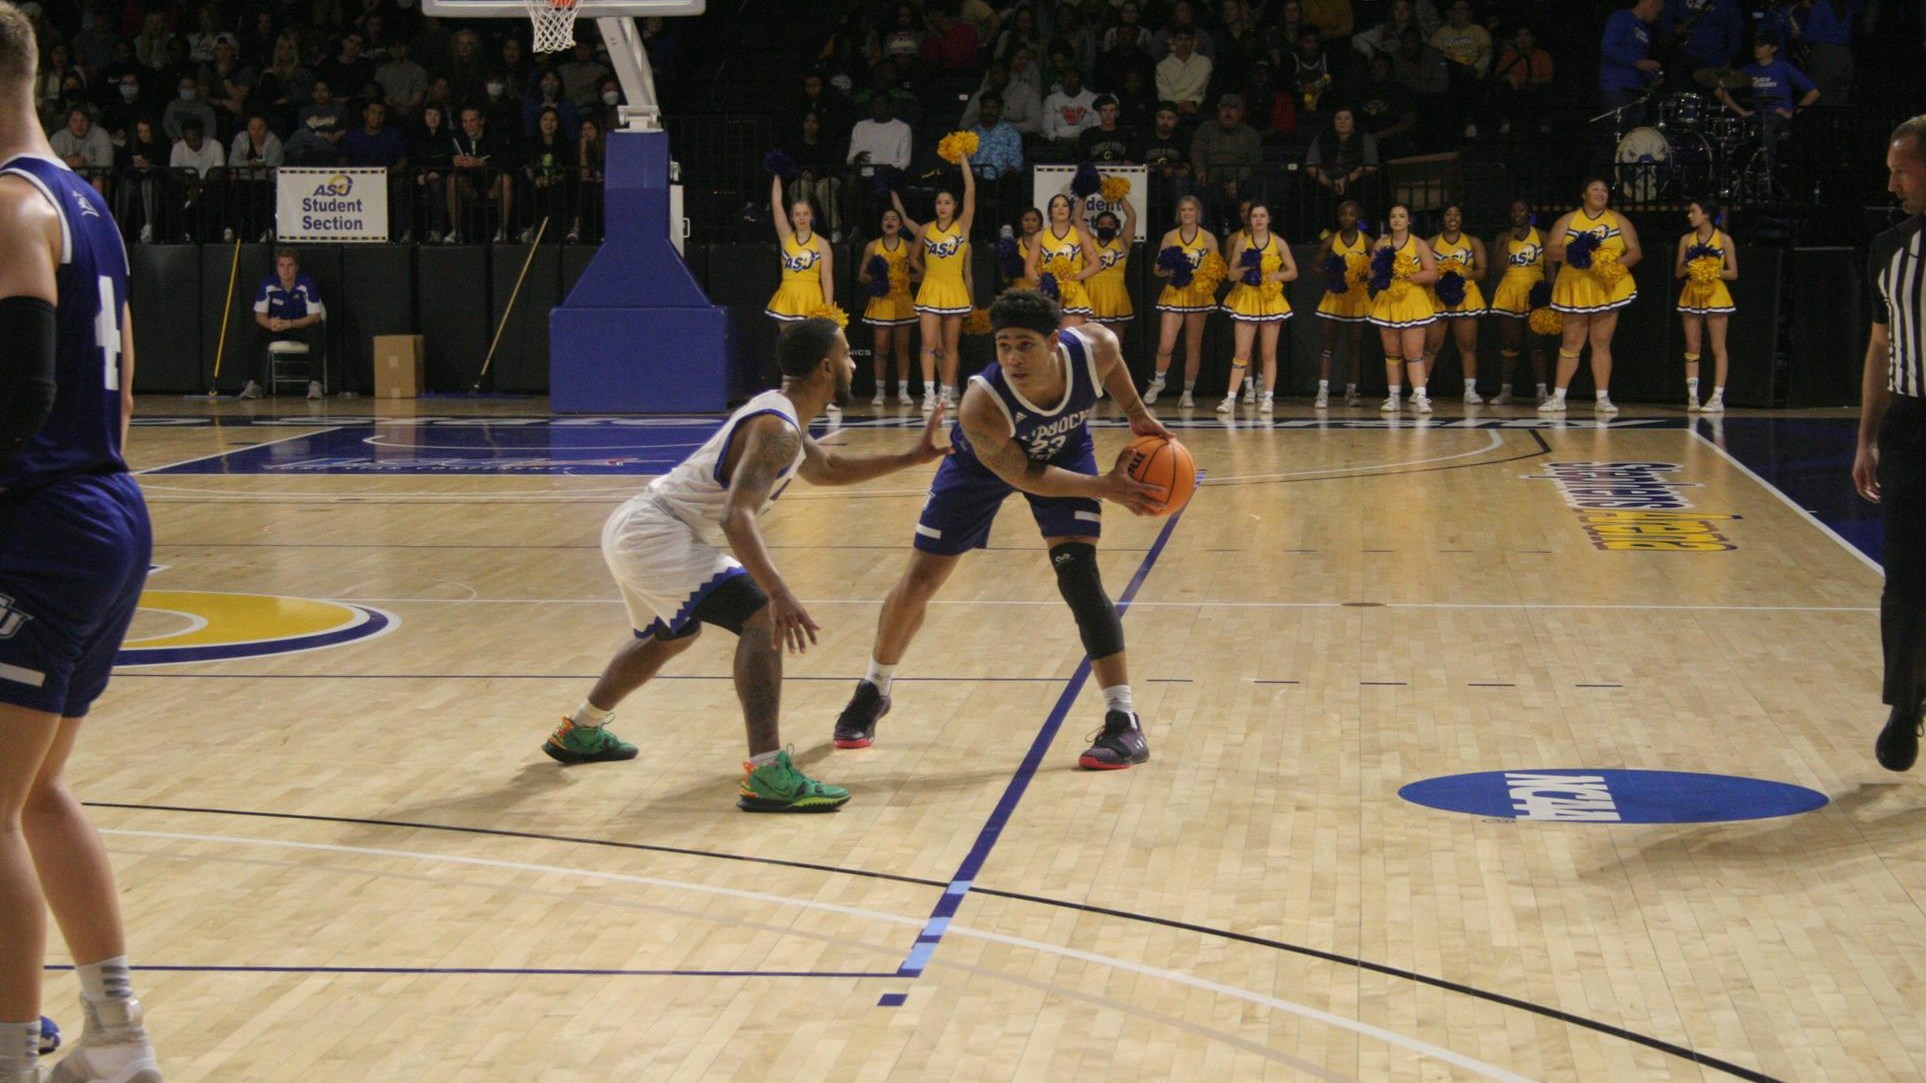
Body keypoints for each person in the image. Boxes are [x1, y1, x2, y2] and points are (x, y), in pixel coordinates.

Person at [542, 319, 951, 810]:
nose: (852, 362)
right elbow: (739, 516)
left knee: (675, 634)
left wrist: (912, 457)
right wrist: (777, 593)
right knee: (758, 615)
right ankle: (766, 773)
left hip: (643, 526)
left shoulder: (783, 417)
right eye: (846, 354)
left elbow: (826, 470)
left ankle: (581, 731)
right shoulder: (777, 427)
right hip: (655, 532)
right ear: (826, 367)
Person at [0, 5, 163, 1078]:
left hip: (46, 522)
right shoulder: (84, 200)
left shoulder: (12, 208)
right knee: (40, 791)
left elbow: (16, 397)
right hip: (106, 508)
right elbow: (126, 386)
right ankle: (115, 1040)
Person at [829, 293, 1172, 768]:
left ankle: (1123, 719)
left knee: (1079, 577)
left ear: (1054, 342)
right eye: (1003, 345)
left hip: (1065, 453)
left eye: (1024, 345)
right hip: (980, 469)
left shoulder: (1096, 346)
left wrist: (1135, 411)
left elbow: (1112, 364)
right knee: (920, 581)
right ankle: (874, 688)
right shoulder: (980, 407)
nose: (1012, 357)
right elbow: (1027, 476)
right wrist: (1104, 487)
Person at [1854, 115, 1926, 773]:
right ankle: (1905, 706)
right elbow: (1880, 347)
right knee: (1903, 578)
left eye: (1902, 168)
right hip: (1910, 424)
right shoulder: (1888, 250)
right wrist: (1866, 437)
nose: (1892, 181)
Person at [1543, 177, 1644, 415]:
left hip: (1605, 288)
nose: (1600, 193)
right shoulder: (1568, 220)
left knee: (1601, 344)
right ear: (1583, 195)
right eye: (1594, 189)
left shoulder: (1618, 220)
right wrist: (1574, 252)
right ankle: (1558, 397)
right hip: (1575, 286)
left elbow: (1636, 252)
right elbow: (1550, 251)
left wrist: (1612, 263)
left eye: (1604, 190)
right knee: (1571, 344)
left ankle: (1602, 398)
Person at [895, 159, 975, 413]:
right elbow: (913, 257)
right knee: (928, 343)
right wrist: (926, 272)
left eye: (948, 202)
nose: (943, 206)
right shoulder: (925, 230)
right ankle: (929, 394)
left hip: (954, 290)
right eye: (939, 202)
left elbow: (971, 190)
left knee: (950, 347)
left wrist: (963, 159)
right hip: (931, 288)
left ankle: (946, 392)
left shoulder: (962, 227)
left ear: (955, 206)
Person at [1220, 201, 1297, 414]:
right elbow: (1231, 274)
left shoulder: (1279, 243)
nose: (1259, 219)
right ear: (1249, 219)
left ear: (1269, 218)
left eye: (1262, 215)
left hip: (1271, 300)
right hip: (1247, 299)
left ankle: (1268, 398)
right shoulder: (1241, 243)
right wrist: (1248, 269)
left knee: (1268, 353)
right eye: (1255, 216)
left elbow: (1293, 272)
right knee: (1241, 352)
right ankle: (1230, 398)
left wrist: (1275, 275)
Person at [1145, 195, 1219, 408]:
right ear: (1179, 213)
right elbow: (1157, 269)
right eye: (1184, 210)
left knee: (1193, 346)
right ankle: (1158, 382)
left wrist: (1204, 277)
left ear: (1198, 213)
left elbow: (1217, 269)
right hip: (1174, 292)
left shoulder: (1208, 238)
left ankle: (1187, 392)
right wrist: (1171, 270)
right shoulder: (1169, 237)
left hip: (1198, 295)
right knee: (1166, 344)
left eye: (1191, 210)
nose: (1187, 214)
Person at [1713, 35, 1819, 182]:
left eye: (1762, 45)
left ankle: (1765, 177)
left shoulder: (1783, 67)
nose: (1757, 49)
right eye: (1756, 45)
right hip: (1757, 116)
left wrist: (1793, 112)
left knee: (1766, 130)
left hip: (1777, 117)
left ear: (1773, 49)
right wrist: (1741, 112)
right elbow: (1719, 90)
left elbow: (1813, 92)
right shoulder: (1749, 70)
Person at [1368, 202, 1441, 412]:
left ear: (1409, 220)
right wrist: (1384, 272)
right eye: (1393, 216)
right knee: (1392, 352)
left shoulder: (1418, 244)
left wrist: (1406, 275)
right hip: (1388, 301)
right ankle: (1393, 396)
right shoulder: (1381, 244)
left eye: (1401, 216)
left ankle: (1420, 396)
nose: (1397, 219)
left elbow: (1432, 273)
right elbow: (1371, 274)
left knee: (1414, 352)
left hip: (1412, 301)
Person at [1674, 198, 1738, 412]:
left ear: (1706, 214)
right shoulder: (1686, 239)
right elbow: (1678, 273)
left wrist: (1711, 270)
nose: (1689, 215)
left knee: (1718, 347)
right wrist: (1691, 264)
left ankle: (1717, 397)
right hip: (1691, 294)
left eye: (1693, 211)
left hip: (1716, 295)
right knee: (1692, 346)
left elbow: (1733, 273)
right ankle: (1693, 396)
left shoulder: (1724, 240)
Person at [1485, 198, 1551, 405]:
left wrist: (1551, 293)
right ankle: (1506, 391)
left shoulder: (1541, 236)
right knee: (1510, 343)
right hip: (1510, 291)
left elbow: (1550, 267)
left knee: (1536, 343)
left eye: (1521, 210)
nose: (1517, 214)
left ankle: (1542, 391)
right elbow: (1498, 268)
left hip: (1535, 292)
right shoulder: (1503, 237)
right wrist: (1507, 241)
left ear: (1528, 213)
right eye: (1513, 211)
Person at [241, 247, 326, 401]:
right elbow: (259, 315)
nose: (285, 270)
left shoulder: (306, 284)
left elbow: (314, 316)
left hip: (300, 325)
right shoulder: (268, 284)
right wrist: (269, 323)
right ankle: (254, 384)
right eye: (282, 265)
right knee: (254, 336)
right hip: (277, 326)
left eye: (290, 265)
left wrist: (291, 323)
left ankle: (315, 383)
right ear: (277, 267)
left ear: (297, 267)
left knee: (316, 334)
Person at [1424, 203, 1488, 402]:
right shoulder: (1431, 243)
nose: (1453, 218)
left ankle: (1470, 390)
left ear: (1462, 218)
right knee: (1431, 345)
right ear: (1442, 219)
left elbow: (1482, 271)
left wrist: (1465, 274)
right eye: (1448, 214)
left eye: (1457, 214)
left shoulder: (1473, 242)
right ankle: (1420, 391)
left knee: (1467, 345)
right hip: (1438, 297)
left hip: (1466, 296)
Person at [1312, 199, 1373, 409]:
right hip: (1335, 298)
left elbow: (1378, 267)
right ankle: (1322, 392)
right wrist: (1332, 273)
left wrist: (1366, 277)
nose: (1347, 218)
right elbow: (1315, 266)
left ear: (1358, 218)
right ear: (1339, 217)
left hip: (1357, 299)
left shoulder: (1366, 241)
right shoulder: (1330, 241)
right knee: (1328, 346)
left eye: (1352, 214)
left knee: (1354, 348)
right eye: (1343, 214)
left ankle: (1351, 391)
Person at [861, 208, 919, 406]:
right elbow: (862, 275)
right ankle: (880, 392)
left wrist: (905, 278)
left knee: (902, 347)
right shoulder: (872, 247)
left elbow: (923, 274)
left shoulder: (909, 246)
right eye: (886, 218)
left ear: (900, 225)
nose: (890, 221)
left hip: (903, 300)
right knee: (881, 347)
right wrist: (879, 279)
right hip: (882, 301)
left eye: (894, 218)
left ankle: (904, 392)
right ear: (881, 224)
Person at [764, 170, 832, 332]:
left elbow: (827, 278)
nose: (801, 218)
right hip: (788, 296)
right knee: (788, 345)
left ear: (811, 217)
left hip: (812, 297)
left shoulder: (822, 244)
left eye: (805, 214)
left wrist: (828, 309)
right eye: (797, 214)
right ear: (792, 218)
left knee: (810, 347)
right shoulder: (787, 238)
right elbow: (776, 204)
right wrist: (777, 174)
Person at [1190, 94, 1263, 232]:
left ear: (1241, 113)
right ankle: (1205, 234)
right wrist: (1201, 171)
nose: (1228, 112)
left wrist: (1237, 180)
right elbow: (1196, 152)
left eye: (1233, 109)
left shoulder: (1251, 134)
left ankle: (1253, 232)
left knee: (1257, 184)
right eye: (1224, 108)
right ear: (1219, 110)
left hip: (1240, 180)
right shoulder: (1206, 128)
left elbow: (1253, 161)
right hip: (1211, 178)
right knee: (1197, 188)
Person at [447, 104, 513, 244]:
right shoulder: (457, 139)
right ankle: (456, 232)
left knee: (505, 179)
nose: (468, 125)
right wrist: (454, 160)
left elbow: (507, 162)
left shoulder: (495, 137)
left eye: (472, 120)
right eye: (465, 121)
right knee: (452, 180)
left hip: (491, 187)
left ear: (481, 121)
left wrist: (481, 163)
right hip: (471, 188)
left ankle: (502, 231)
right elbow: (445, 162)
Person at [1027, 193, 1094, 327]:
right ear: (1050, 212)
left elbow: (1096, 263)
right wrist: (1042, 284)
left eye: (1064, 205)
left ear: (1070, 211)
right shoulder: (1040, 236)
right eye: (1056, 206)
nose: (1061, 209)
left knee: (1069, 341)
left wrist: (1076, 277)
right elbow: (1029, 267)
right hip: (1048, 294)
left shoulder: (1080, 235)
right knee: (1048, 342)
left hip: (1073, 295)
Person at [1075, 196, 1136, 342]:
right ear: (1095, 225)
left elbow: (1132, 216)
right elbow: (1077, 217)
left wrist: (1119, 195)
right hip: (1091, 294)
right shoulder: (1088, 241)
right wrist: (1083, 194)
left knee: (1114, 345)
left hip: (1116, 296)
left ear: (1116, 226)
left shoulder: (1123, 243)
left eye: (1110, 223)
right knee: (1091, 344)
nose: (1106, 226)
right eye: (1102, 223)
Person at [1598, 0, 1664, 133]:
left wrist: (1652, 77)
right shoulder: (1621, 17)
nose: (1658, 16)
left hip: (1636, 93)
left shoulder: (1645, 30)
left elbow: (1641, 64)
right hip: (1616, 87)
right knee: (1613, 136)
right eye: (1658, 11)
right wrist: (1637, 62)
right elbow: (1608, 47)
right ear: (1650, 3)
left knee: (1631, 139)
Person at [1491, 24, 1554, 135]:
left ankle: (1544, 123)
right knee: (1499, 88)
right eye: (1519, 36)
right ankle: (1504, 122)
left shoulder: (1542, 55)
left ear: (1533, 39)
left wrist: (1533, 80)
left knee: (1546, 90)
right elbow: (1498, 74)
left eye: (1526, 35)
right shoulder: (1508, 55)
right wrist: (1508, 77)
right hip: (1513, 88)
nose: (1522, 39)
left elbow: (1549, 76)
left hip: (1534, 86)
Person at [49, 105, 111, 192]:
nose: (79, 125)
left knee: (99, 182)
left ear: (89, 122)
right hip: (66, 179)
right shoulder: (58, 138)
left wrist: (84, 165)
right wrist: (66, 163)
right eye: (74, 121)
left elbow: (106, 168)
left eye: (84, 120)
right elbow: (50, 169)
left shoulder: (101, 135)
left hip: (92, 180)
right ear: (68, 122)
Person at [1154, 26, 1212, 116]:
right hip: (1171, 112)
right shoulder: (1163, 66)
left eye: (1187, 39)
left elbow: (1205, 90)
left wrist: (1193, 104)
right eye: (1180, 39)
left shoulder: (1205, 63)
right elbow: (1164, 94)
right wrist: (1177, 106)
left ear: (1193, 41)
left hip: (1198, 110)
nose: (1183, 43)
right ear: (1174, 41)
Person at [1042, 66, 1098, 147]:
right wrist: (1058, 139)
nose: (1070, 82)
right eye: (1066, 79)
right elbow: (1047, 127)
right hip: (1058, 144)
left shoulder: (1092, 98)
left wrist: (1084, 140)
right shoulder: (1051, 99)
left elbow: (1097, 125)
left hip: (1086, 143)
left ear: (1081, 81)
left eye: (1074, 78)